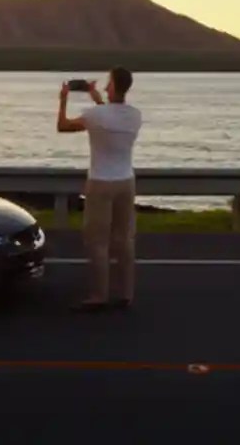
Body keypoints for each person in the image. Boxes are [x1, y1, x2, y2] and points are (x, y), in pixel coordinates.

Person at [57, 67, 142, 312]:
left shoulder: (96, 116)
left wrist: (63, 99)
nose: (105, 87)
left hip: (100, 183)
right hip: (126, 181)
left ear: (114, 86)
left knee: (98, 241)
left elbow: (63, 126)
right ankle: (126, 293)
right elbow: (109, 115)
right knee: (124, 239)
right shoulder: (134, 116)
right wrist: (95, 97)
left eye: (108, 83)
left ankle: (99, 294)